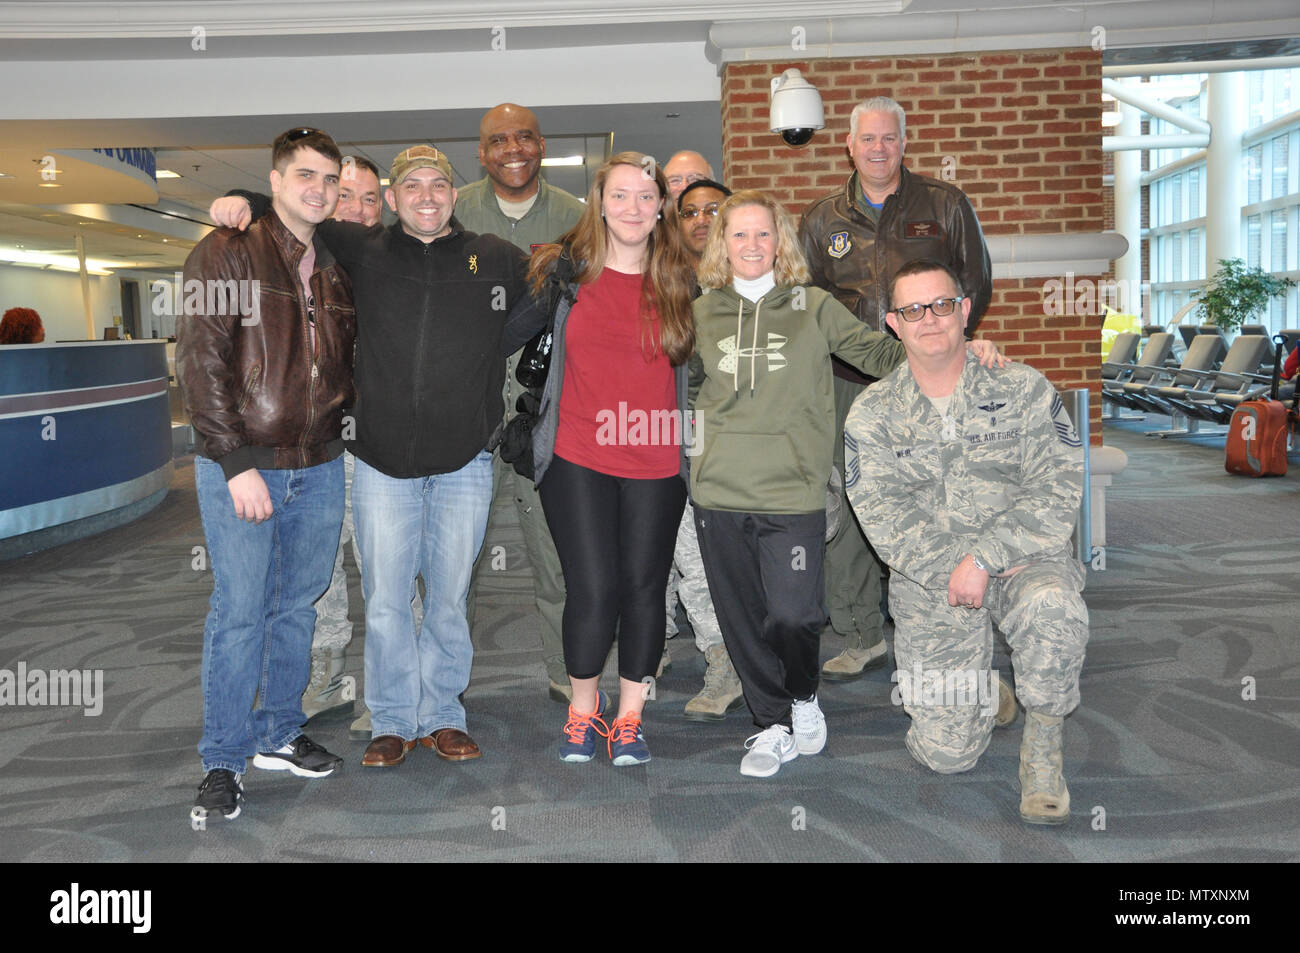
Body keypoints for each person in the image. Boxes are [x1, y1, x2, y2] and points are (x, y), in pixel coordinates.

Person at [209, 145, 531, 769]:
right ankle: (390, 719)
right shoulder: (363, 249)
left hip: (464, 461)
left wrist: (494, 347)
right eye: (413, 188)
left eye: (439, 185)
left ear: (454, 194)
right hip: (381, 461)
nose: (428, 197)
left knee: (448, 594)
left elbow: (547, 286)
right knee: (385, 596)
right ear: (392, 199)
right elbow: (290, 213)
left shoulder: (491, 255)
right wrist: (242, 201)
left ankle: (441, 716)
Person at [689, 191, 1002, 778]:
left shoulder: (814, 306)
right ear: (721, 244)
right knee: (743, 619)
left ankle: (802, 695)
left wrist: (956, 344)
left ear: (779, 241)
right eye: (739, 235)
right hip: (718, 492)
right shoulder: (701, 312)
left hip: (794, 491)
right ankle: (771, 725)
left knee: (795, 617)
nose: (752, 246)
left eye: (763, 234)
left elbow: (881, 353)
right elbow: (687, 390)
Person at [845, 259, 1088, 825]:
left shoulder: (1022, 387)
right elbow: (881, 516)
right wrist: (955, 566)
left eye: (941, 304)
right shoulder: (873, 413)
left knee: (1053, 610)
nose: (929, 319)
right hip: (932, 578)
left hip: (1024, 560)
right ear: (893, 323)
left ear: (964, 310)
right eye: (913, 310)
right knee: (946, 756)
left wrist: (985, 557)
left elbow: (1057, 488)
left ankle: (1044, 750)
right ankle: (987, 691)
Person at [179, 127, 355, 822]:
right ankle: (223, 755)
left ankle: (279, 730)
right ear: (275, 181)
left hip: (319, 462)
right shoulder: (227, 251)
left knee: (297, 606)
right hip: (246, 466)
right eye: (305, 176)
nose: (319, 188)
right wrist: (233, 462)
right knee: (241, 610)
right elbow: (202, 362)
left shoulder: (336, 264)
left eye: (330, 180)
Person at [503, 152, 696, 766]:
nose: (633, 208)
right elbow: (495, 332)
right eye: (620, 196)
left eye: (646, 196)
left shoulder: (684, 280)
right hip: (578, 453)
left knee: (644, 589)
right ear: (600, 203)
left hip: (659, 458)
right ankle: (583, 713)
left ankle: (631, 718)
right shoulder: (564, 275)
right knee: (592, 587)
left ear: (661, 205)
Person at [800, 96, 993, 682]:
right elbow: (805, 303)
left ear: (903, 143)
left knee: (938, 497)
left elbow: (975, 283)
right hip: (846, 385)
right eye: (868, 139)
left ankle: (940, 616)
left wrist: (945, 351)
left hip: (929, 381)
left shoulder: (944, 204)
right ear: (850, 146)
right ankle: (861, 633)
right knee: (854, 499)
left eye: (889, 138)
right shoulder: (821, 219)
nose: (878, 148)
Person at [457, 103, 585, 704]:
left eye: (525, 137)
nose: (513, 148)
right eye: (498, 140)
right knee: (454, 567)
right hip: (464, 417)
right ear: (481, 153)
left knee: (554, 558)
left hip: (547, 418)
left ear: (541, 144)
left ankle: (567, 676)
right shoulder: (452, 213)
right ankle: (442, 686)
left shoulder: (577, 219)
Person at [303, 154, 383, 729]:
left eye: (370, 198)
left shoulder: (398, 262)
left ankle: (389, 687)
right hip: (317, 445)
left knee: (388, 570)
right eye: (346, 194)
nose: (357, 208)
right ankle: (326, 677)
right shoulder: (304, 262)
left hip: (377, 445)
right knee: (320, 570)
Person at [664, 177, 744, 721]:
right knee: (685, 555)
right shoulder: (665, 279)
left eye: (712, 210)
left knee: (736, 563)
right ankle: (720, 658)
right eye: (688, 211)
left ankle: (746, 659)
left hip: (742, 450)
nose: (700, 221)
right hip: (667, 439)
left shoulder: (758, 288)